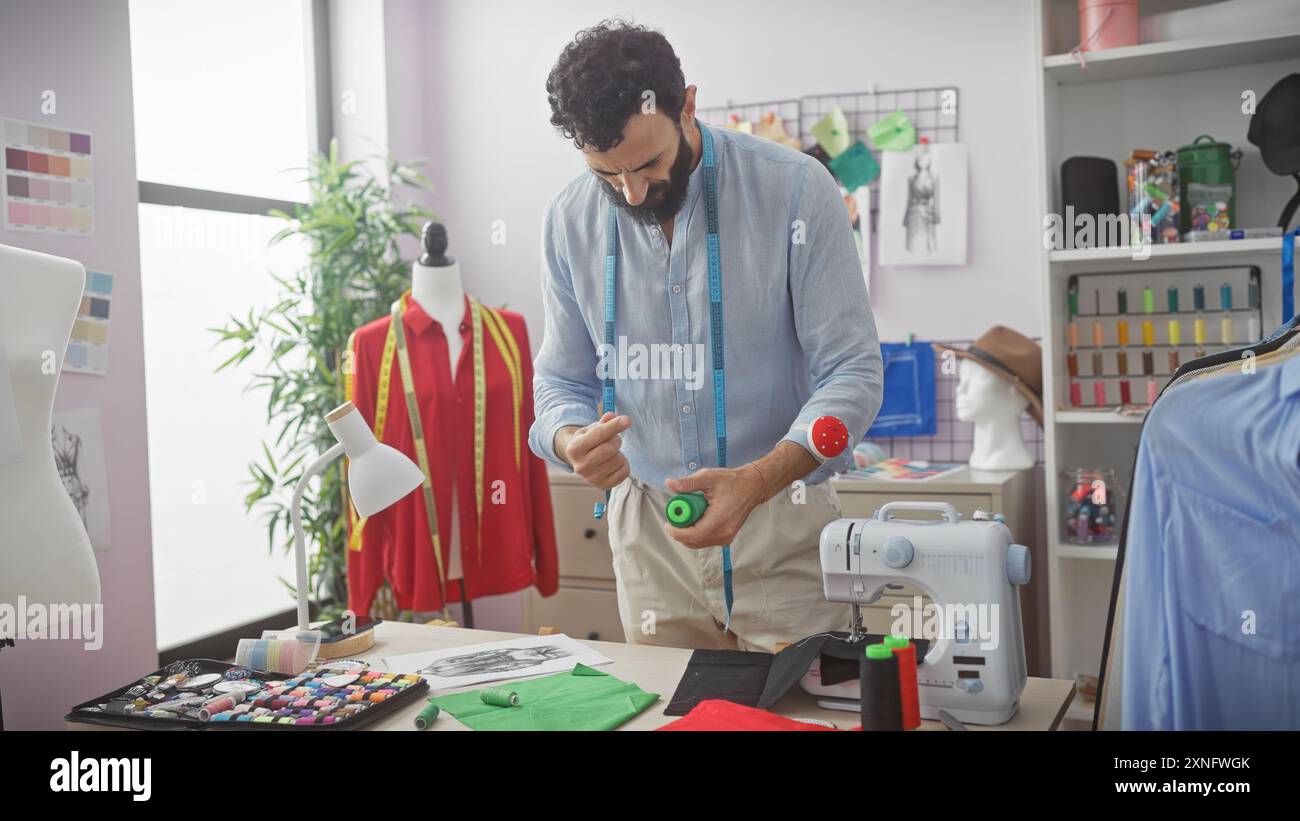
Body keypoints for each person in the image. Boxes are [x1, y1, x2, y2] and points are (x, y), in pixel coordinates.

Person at [529, 20, 883, 653]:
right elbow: (559, 382)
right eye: (607, 175)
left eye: (648, 164)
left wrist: (759, 479)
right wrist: (569, 438)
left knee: (805, 719)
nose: (632, 193)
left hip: (784, 520)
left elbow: (852, 373)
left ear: (687, 105)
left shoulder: (799, 190)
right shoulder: (566, 222)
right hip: (647, 537)